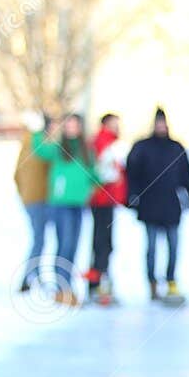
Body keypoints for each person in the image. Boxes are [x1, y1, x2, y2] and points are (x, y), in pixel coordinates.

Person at [124, 107, 189, 301]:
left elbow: (186, 176)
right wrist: (132, 197)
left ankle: (171, 280)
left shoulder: (176, 148)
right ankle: (152, 283)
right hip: (149, 205)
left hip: (171, 206)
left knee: (173, 245)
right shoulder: (142, 147)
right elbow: (131, 175)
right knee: (152, 247)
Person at [31, 112, 95, 307]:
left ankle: (66, 285)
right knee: (65, 244)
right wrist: (39, 130)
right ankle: (61, 287)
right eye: (68, 125)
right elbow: (40, 149)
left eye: (75, 125)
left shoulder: (85, 149)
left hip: (79, 204)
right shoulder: (58, 147)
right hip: (60, 203)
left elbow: (92, 172)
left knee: (74, 245)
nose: (72, 129)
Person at [86, 113, 126, 305]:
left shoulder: (110, 142)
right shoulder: (103, 142)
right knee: (102, 243)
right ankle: (98, 284)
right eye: (113, 124)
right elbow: (102, 170)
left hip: (107, 200)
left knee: (103, 242)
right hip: (101, 200)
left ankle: (99, 283)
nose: (117, 127)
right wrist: (115, 177)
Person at [14, 110, 52, 292]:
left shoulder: (26, 142)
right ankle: (28, 276)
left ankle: (34, 274)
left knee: (39, 238)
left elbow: (16, 174)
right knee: (39, 239)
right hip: (39, 199)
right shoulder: (41, 143)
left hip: (30, 198)